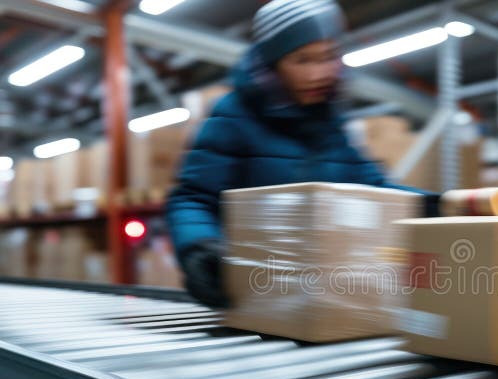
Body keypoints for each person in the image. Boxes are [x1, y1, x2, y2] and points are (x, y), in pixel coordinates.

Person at [167, 0, 438, 308]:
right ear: (273, 64)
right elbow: (192, 198)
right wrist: (200, 249)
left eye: (329, 56)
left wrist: (434, 205)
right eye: (302, 60)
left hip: (322, 301)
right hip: (253, 298)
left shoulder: (330, 123)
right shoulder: (233, 116)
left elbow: (373, 189)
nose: (318, 74)